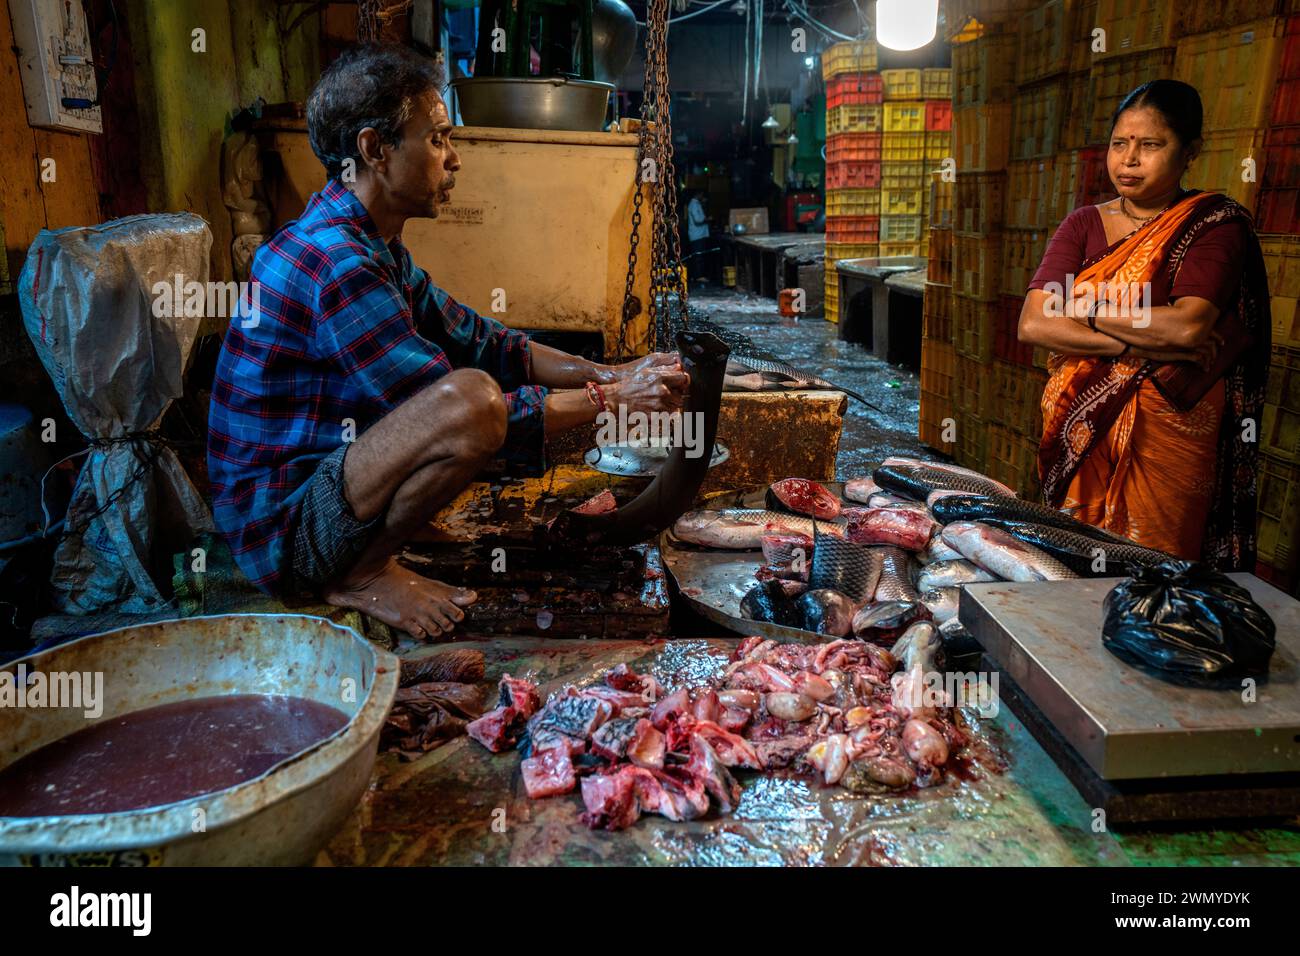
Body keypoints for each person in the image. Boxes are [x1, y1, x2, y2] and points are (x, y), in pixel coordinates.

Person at [208, 45, 689, 638]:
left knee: (476, 387)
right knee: (473, 404)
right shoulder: (337, 263)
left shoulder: (368, 242)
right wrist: (610, 401)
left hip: (310, 490)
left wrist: (616, 372)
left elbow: (484, 339)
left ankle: (367, 544)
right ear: (374, 150)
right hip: (282, 534)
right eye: (437, 139)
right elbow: (467, 412)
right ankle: (359, 573)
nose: (454, 159)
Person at [1017, 79, 1271, 568]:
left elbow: (1187, 329)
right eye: (1119, 143)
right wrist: (1134, 344)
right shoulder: (1083, 225)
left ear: (1190, 151)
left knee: (1154, 563)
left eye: (1151, 144)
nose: (1129, 159)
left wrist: (1083, 306)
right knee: (1071, 556)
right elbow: (1033, 323)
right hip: (1080, 423)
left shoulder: (1214, 226)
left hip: (1169, 426)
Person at [684, 190, 711, 280]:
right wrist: (707, 219)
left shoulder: (696, 204)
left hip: (699, 234)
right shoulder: (694, 205)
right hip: (697, 235)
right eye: (701, 194)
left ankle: (698, 276)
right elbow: (698, 219)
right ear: (698, 194)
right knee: (698, 257)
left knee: (699, 256)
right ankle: (699, 276)